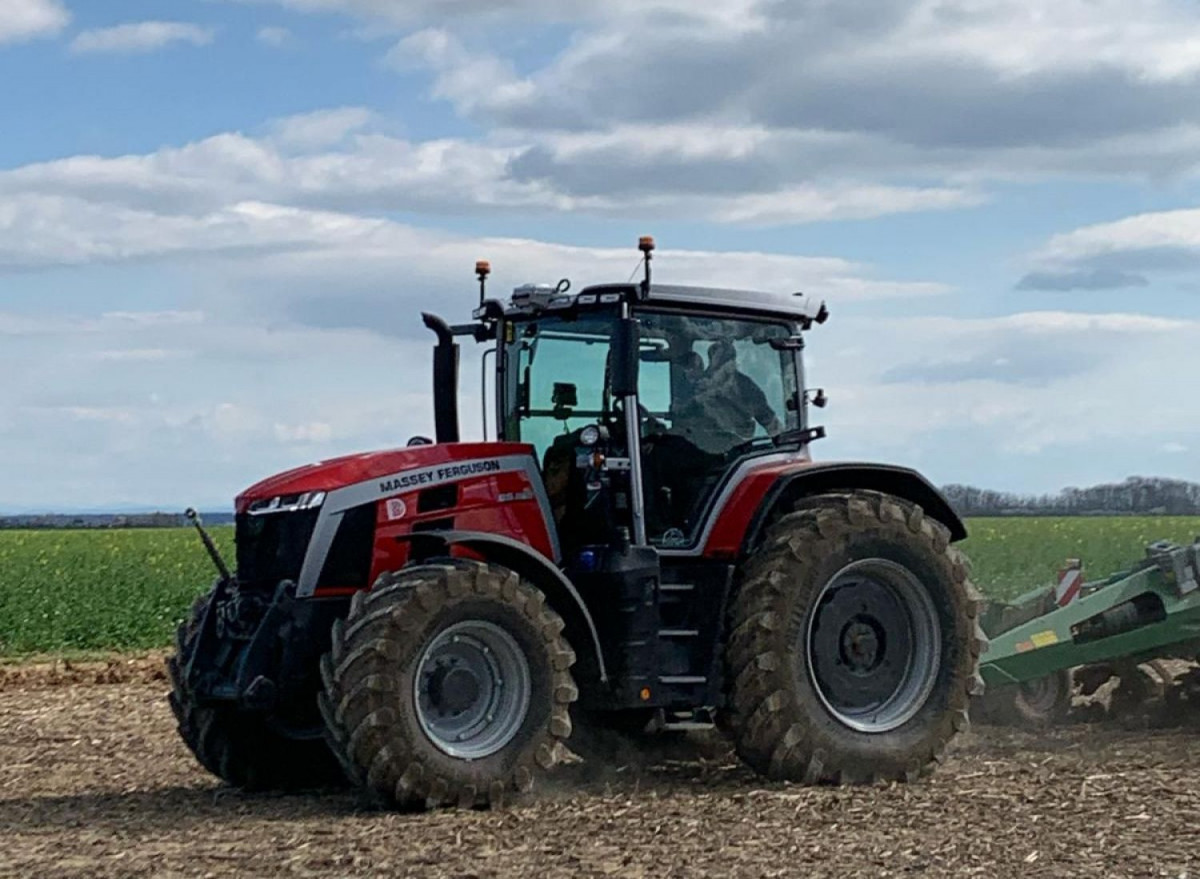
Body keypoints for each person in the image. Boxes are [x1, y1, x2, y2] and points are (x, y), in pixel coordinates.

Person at [673, 339, 781, 456]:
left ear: (731, 363)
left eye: (724, 363)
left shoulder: (745, 387)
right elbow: (682, 413)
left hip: (736, 449)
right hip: (698, 447)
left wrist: (781, 442)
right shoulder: (700, 386)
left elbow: (769, 421)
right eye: (715, 364)